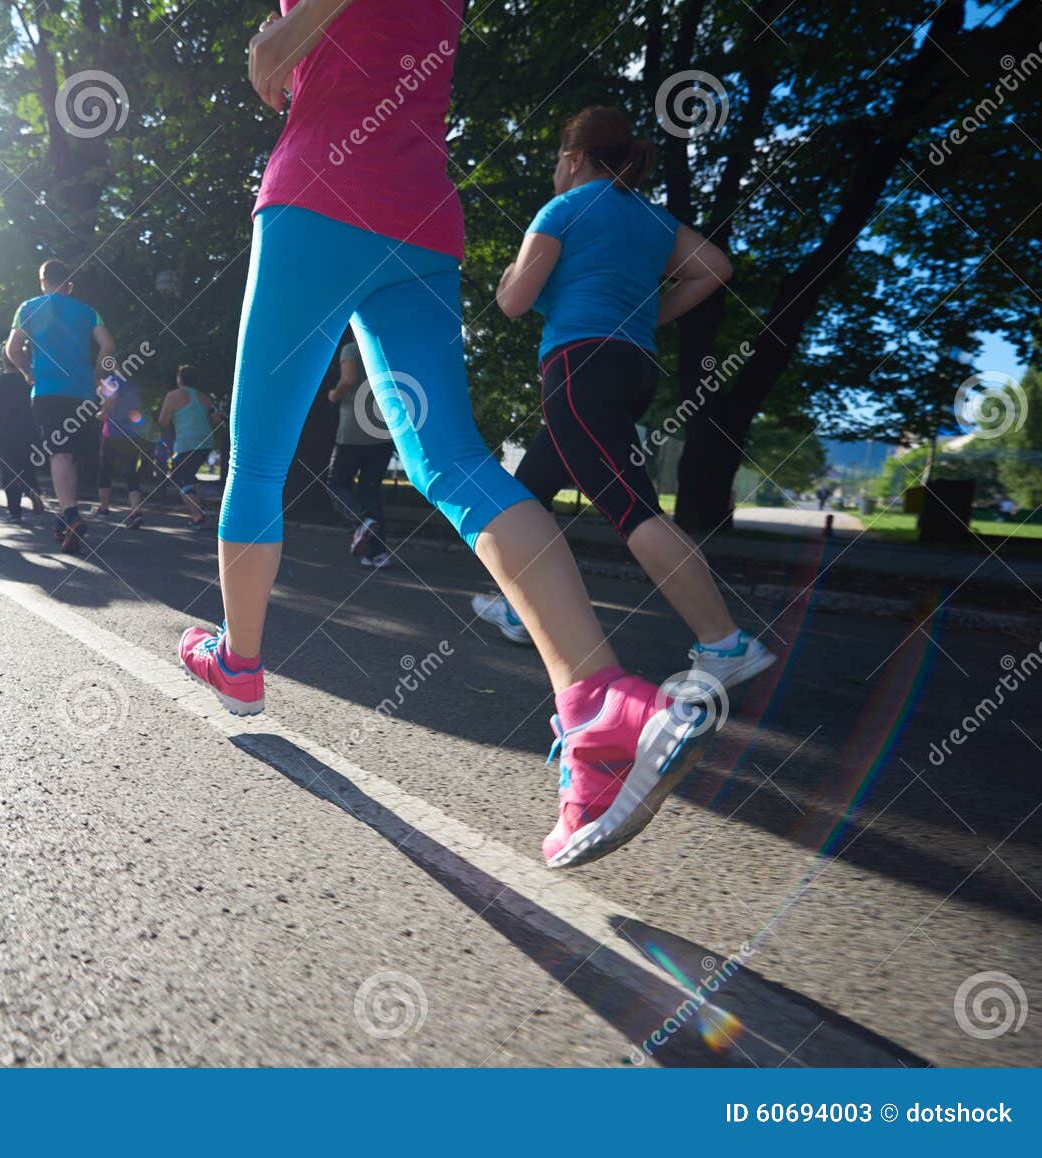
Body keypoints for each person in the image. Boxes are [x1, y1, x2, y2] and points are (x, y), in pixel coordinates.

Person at [178, 0, 716, 871]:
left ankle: (237, 662)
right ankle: (599, 701)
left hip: (317, 199)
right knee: (456, 460)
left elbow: (271, 70)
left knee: (258, 457)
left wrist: (275, 38)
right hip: (422, 220)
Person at [492, 105, 776, 696]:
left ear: (572, 159)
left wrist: (505, 278)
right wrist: (649, 313)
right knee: (529, 492)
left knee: (630, 505)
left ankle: (725, 643)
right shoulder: (652, 219)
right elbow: (715, 268)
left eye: (556, 163)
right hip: (632, 367)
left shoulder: (563, 209)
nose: (554, 174)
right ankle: (521, 608)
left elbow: (515, 302)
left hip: (578, 365)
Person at [6, 259, 118, 554]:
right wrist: (98, 374)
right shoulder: (87, 311)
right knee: (71, 455)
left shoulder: (28, 308)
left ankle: (69, 514)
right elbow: (108, 346)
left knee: (58, 452)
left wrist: (28, 372)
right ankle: (64, 519)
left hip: (48, 391)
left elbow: (12, 349)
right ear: (70, 284)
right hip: (82, 393)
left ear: (42, 280)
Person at [325, 339, 393, 568]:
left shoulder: (353, 348)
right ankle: (378, 554)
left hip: (354, 429)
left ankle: (361, 521)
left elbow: (350, 379)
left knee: (335, 482)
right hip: (384, 428)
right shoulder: (387, 345)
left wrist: (334, 395)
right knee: (370, 489)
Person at [0, 347, 45, 524]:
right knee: (26, 464)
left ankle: (15, 512)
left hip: (6, 429)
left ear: (3, 360)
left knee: (8, 469)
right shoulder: (31, 380)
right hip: (30, 428)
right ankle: (33, 490)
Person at [158, 365, 222, 528]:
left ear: (180, 379)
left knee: (181, 478)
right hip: (207, 442)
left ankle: (197, 516)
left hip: (187, 443)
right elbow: (216, 421)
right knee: (192, 478)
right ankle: (198, 511)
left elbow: (162, 421)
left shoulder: (173, 396)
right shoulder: (204, 398)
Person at [96, 374, 154, 527]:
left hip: (112, 434)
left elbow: (111, 397)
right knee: (130, 473)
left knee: (105, 469)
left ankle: (104, 507)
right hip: (131, 435)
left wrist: (103, 412)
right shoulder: (135, 384)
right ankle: (136, 511)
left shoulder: (112, 380)